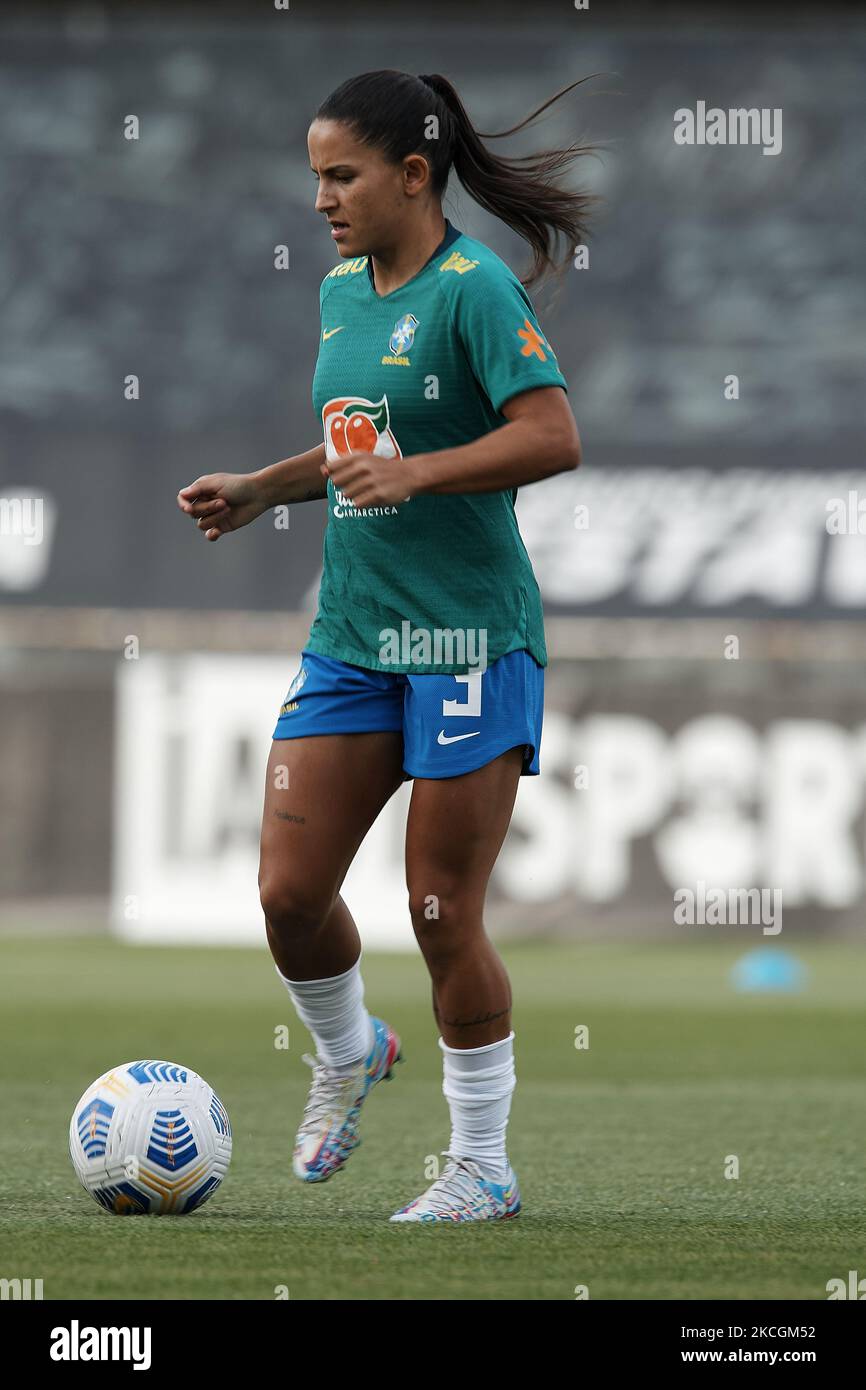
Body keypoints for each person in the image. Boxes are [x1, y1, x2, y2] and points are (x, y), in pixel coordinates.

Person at [177, 69, 595, 1223]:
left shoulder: (474, 290)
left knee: (438, 915)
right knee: (286, 892)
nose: (319, 198)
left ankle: (478, 1166)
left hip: (466, 640)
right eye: (313, 176)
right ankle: (351, 1048)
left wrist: (412, 470)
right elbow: (357, 438)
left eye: (339, 175)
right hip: (353, 637)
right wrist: (269, 486)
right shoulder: (338, 294)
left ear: (412, 174)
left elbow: (551, 434)